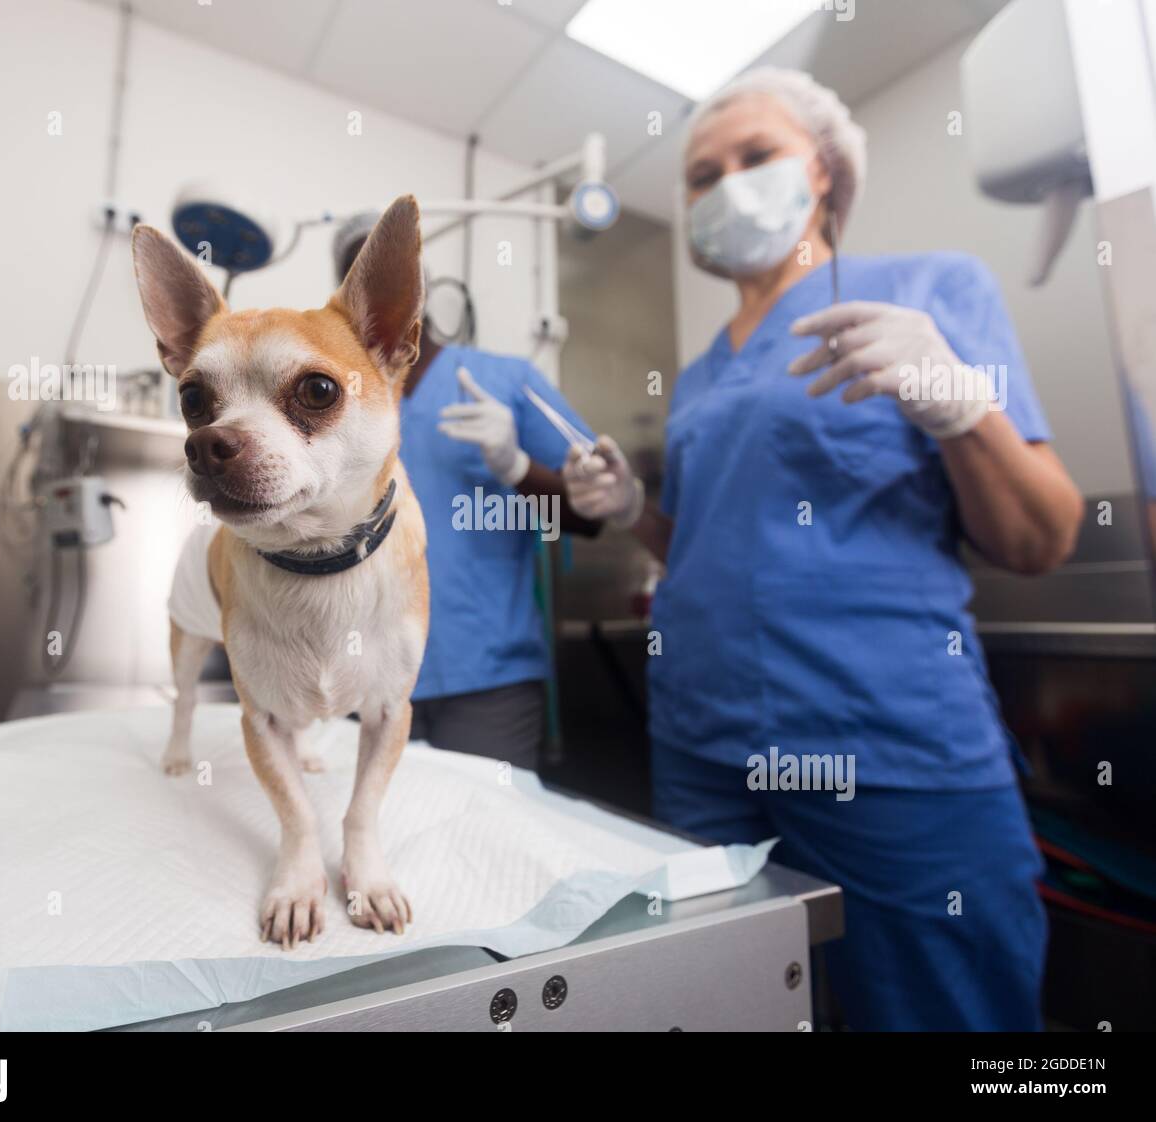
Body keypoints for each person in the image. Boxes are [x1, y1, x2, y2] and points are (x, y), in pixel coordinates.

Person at [563, 67, 1084, 1030]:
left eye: (757, 157)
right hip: (701, 745)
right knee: (728, 1005)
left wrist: (961, 402)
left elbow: (1040, 535)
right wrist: (635, 508)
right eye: (701, 173)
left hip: (885, 747)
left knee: (948, 1014)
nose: (726, 186)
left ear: (829, 172)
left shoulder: (929, 290)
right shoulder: (700, 373)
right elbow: (710, 551)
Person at [333, 214, 598, 771]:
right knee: (373, 842)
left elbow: (591, 514)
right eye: (358, 277)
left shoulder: (506, 381)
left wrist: (518, 465)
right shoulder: (335, 403)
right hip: (362, 683)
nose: (376, 291)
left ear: (419, 285)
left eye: (390, 272)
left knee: (491, 841)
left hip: (487, 682)